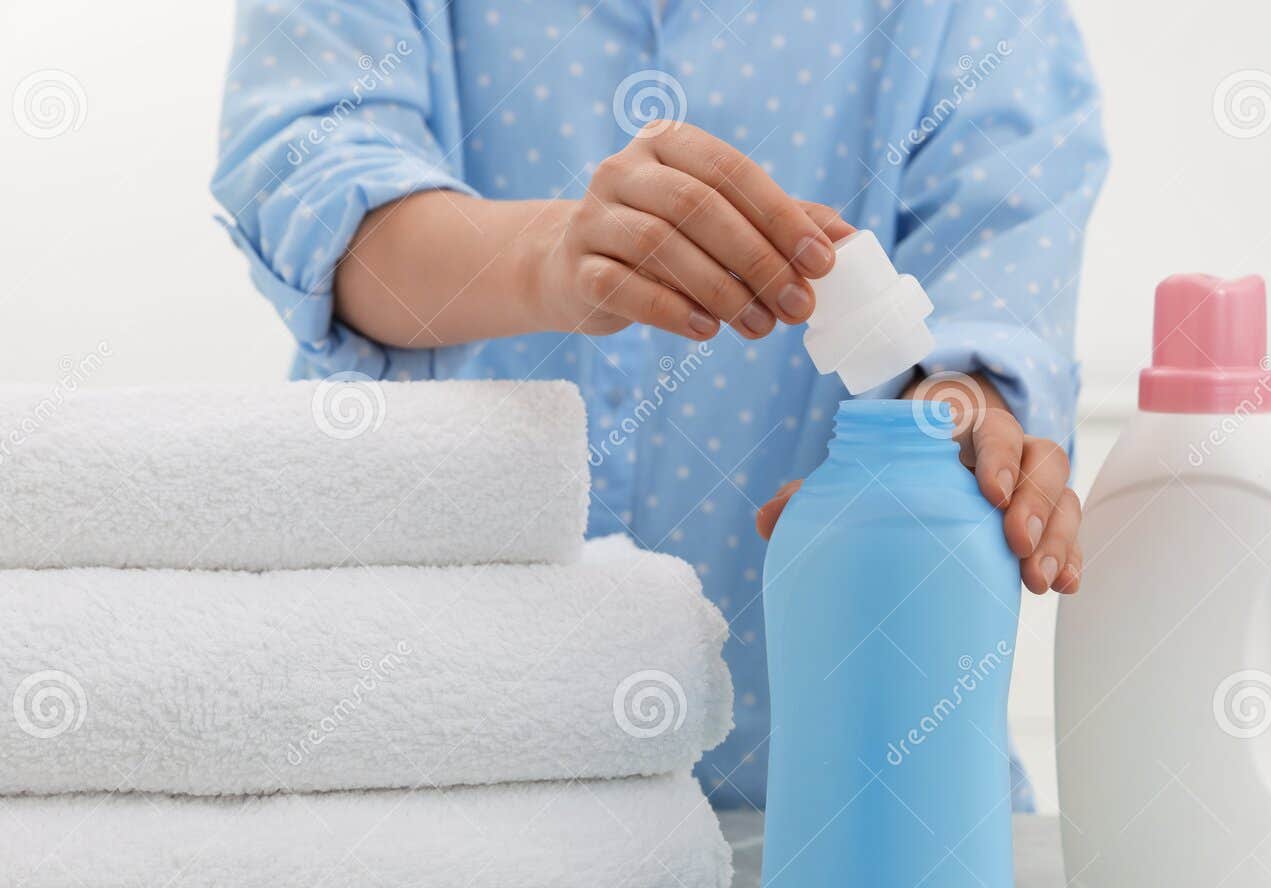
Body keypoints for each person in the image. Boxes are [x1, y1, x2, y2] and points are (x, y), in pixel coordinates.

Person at [213, 0, 1107, 809]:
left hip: (832, 799)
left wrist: (945, 449)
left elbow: (995, 275)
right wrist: (547, 258)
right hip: (415, 782)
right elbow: (314, 183)